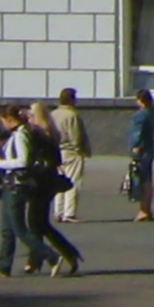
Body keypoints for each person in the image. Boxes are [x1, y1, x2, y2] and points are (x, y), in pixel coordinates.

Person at [0, 105, 52, 278]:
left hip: (17, 185)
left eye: (3, 121)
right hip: (11, 184)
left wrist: (0, 163)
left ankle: (51, 256)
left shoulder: (21, 135)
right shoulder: (18, 134)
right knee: (7, 230)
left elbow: (24, 161)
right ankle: (3, 266)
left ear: (9, 119)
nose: (3, 126)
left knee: (19, 229)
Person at [24, 103, 82, 276]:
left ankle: (66, 254)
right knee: (38, 222)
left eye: (30, 112)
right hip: (49, 180)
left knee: (37, 223)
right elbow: (55, 159)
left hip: (40, 181)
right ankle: (36, 260)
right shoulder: (50, 131)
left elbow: (34, 157)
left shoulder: (36, 133)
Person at [50, 87, 90, 223]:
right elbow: (76, 136)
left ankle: (58, 211)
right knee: (73, 182)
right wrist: (81, 149)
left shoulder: (53, 114)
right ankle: (69, 213)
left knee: (58, 182)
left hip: (56, 150)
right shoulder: (72, 115)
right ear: (72, 99)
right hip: (71, 152)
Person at [125, 86, 154, 221]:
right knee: (148, 178)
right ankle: (147, 208)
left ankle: (143, 210)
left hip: (142, 149)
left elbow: (136, 133)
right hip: (149, 148)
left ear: (140, 100)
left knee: (141, 178)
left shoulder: (140, 115)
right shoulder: (153, 113)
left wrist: (135, 146)